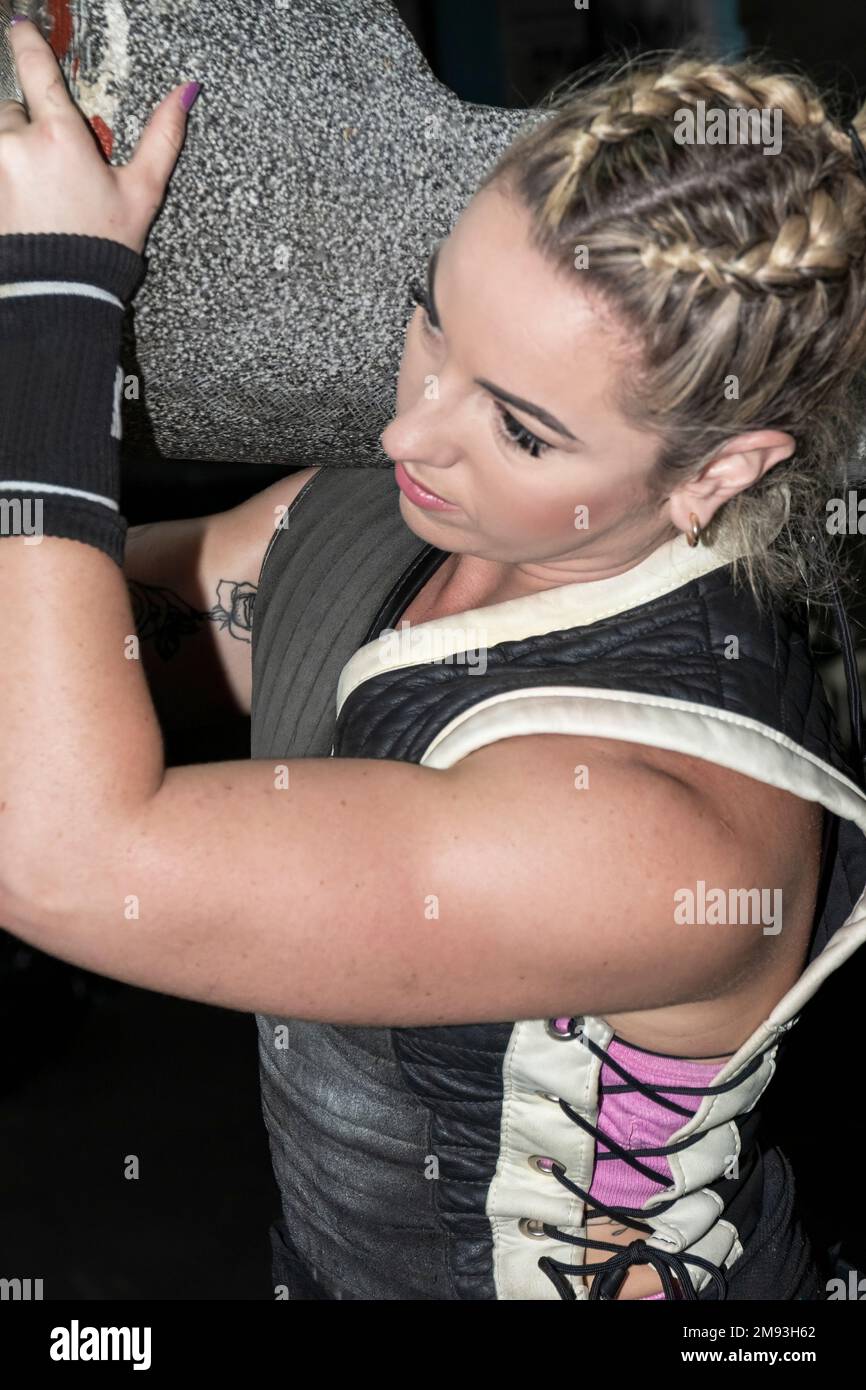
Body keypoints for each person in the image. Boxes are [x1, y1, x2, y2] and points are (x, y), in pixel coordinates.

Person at [1, 16, 865, 1301]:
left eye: (517, 428)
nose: (410, 426)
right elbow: (70, 648)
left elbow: (59, 857)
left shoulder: (654, 825)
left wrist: (54, 311)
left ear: (719, 471)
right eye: (431, 323)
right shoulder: (384, 513)